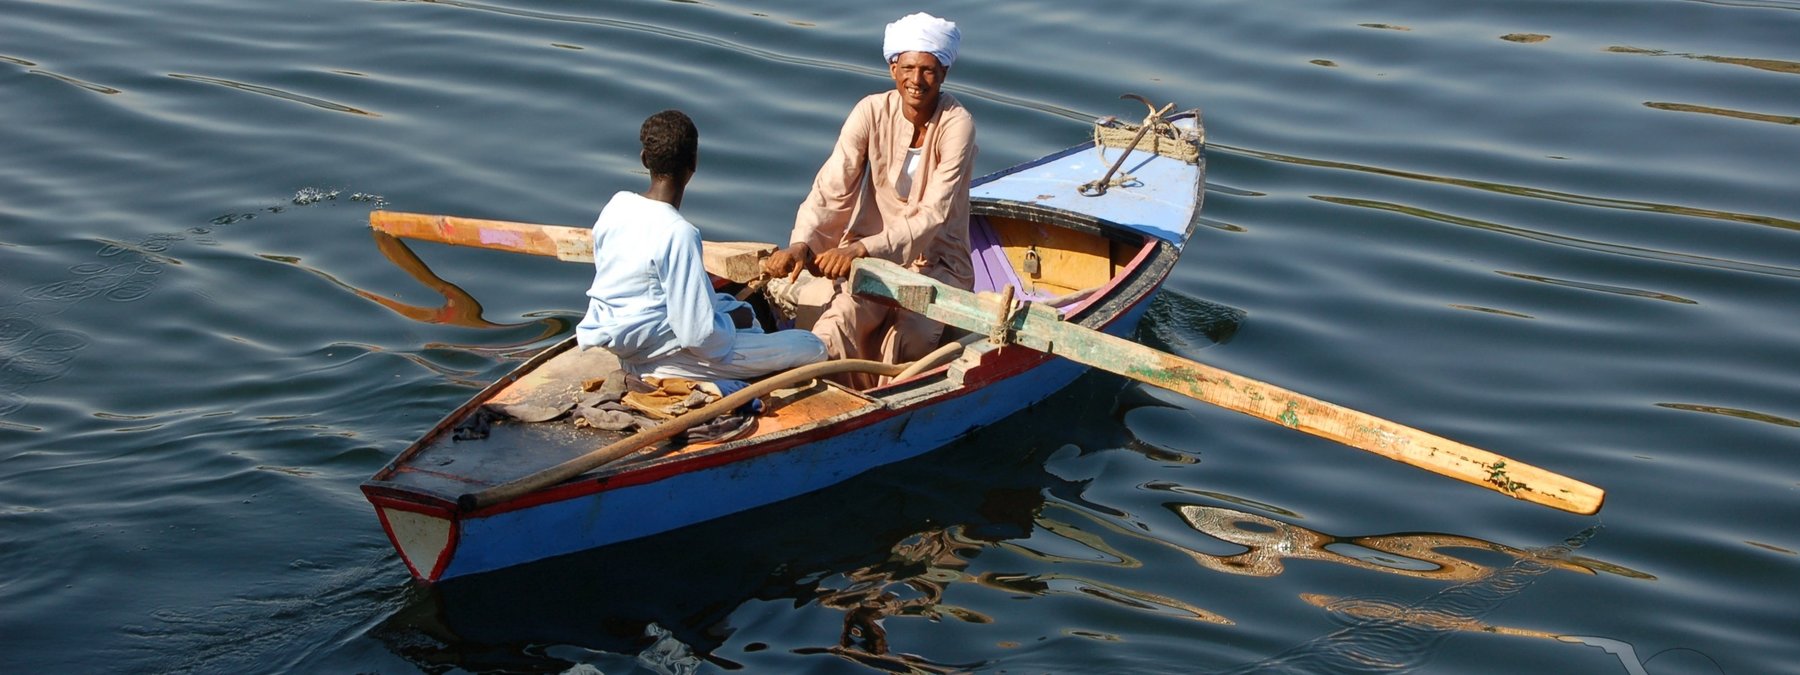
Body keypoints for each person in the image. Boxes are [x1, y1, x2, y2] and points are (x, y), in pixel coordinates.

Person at [762, 12, 976, 389]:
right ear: (893, 68)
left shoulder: (957, 124)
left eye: (928, 70)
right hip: (870, 261)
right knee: (838, 322)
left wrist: (859, 249)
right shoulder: (870, 111)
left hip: (938, 263)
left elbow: (933, 215)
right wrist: (803, 243)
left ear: (943, 73)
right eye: (908, 68)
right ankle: (814, 397)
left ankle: (876, 403)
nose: (916, 80)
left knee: (909, 339)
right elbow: (832, 186)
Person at [575, 110, 827, 392]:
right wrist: (731, 324)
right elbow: (699, 337)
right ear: (693, 163)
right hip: (663, 359)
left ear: (645, 159)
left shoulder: (616, 206)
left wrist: (732, 317)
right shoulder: (678, 232)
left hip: (626, 345)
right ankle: (699, 378)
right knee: (811, 346)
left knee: (736, 307)